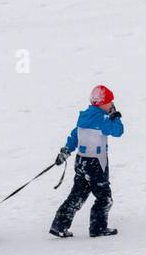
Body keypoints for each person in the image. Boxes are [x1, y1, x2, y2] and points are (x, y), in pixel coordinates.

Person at [50, 85, 124, 238]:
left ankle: (59, 225)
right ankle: (98, 228)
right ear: (102, 103)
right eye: (110, 102)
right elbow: (118, 131)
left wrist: (66, 150)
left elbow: (74, 135)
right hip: (96, 163)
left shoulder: (84, 116)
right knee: (104, 197)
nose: (111, 105)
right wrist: (115, 116)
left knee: (77, 195)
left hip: (81, 162)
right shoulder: (102, 119)